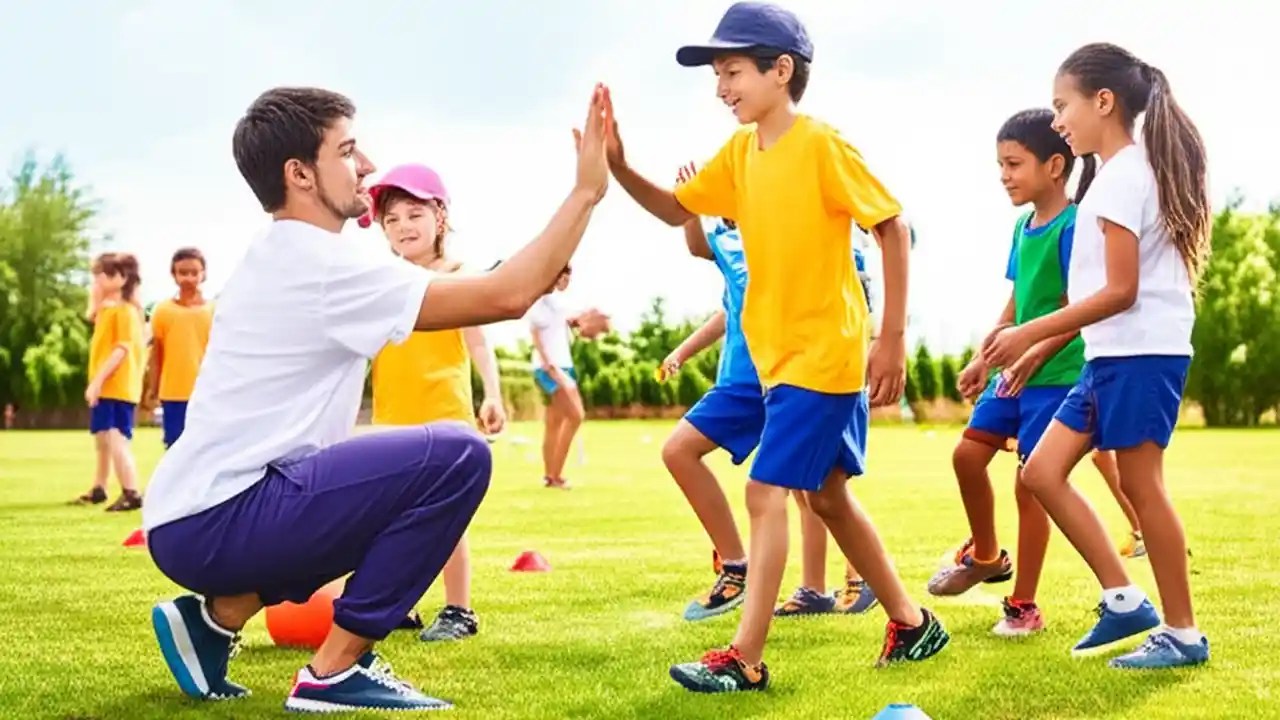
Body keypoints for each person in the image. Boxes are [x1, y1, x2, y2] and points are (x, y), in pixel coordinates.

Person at [143, 84, 609, 712]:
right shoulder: (323, 264)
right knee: (460, 456)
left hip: (196, 517)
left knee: (370, 491)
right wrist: (585, 194)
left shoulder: (282, 252)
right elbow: (506, 295)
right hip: (220, 518)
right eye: (349, 150)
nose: (367, 166)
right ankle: (336, 670)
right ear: (300, 174)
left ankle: (215, 621)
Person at [604, 2, 947, 692]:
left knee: (766, 490)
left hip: (825, 356)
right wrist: (618, 165)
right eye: (719, 75)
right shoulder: (738, 154)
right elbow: (680, 209)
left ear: (780, 70)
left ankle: (745, 658)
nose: (722, 87)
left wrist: (893, 339)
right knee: (827, 498)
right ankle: (912, 623)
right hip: (772, 360)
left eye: (732, 71)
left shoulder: (821, 144)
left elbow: (892, 227)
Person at [984, 43, 1211, 669]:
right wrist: (1040, 346)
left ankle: (1184, 634)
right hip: (1109, 356)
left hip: (1141, 354)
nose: (1057, 120)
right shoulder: (1116, 175)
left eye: (1064, 106)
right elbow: (1097, 295)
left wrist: (1028, 334)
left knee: (1143, 486)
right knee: (1040, 470)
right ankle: (1122, 599)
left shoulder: (1125, 176)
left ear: (1103, 102)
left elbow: (1120, 290)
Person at [659, 188, 878, 621]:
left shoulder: (800, 239)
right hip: (750, 382)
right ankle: (746, 568)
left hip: (793, 379)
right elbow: (726, 302)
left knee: (815, 489)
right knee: (807, 487)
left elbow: (851, 304)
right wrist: (683, 351)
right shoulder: (732, 243)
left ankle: (823, 586)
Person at [927, 108, 1094, 637]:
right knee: (967, 455)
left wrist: (1034, 355)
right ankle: (985, 556)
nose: (1004, 175)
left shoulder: (1075, 226)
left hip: (1057, 375)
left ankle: (1023, 605)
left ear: (1055, 165)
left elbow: (1080, 306)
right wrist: (986, 354)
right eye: (1000, 164)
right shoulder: (1024, 226)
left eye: (1014, 164)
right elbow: (1019, 297)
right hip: (1013, 373)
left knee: (1031, 485)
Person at [364, 162, 506, 643]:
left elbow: (479, 342)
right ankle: (397, 604)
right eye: (392, 219)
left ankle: (458, 610)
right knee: (388, 516)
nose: (403, 226)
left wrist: (493, 393)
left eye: (414, 214)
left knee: (446, 513)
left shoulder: (456, 276)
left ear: (440, 216)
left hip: (445, 409)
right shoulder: (382, 280)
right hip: (391, 414)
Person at [73, 252, 145, 511]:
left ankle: (131, 492)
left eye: (103, 275)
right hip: (112, 386)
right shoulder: (109, 310)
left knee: (115, 437)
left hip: (116, 386)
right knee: (103, 437)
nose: (97, 280)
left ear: (121, 278)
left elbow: (121, 349)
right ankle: (99, 488)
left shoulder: (124, 311)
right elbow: (92, 313)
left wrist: (97, 382)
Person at [144, 247, 213, 449]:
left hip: (206, 392)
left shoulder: (214, 311)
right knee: (175, 448)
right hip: (173, 392)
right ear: (174, 275)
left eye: (194, 273)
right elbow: (157, 354)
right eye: (183, 273)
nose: (189, 278)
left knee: (205, 448)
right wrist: (152, 388)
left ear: (204, 274)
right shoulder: (163, 310)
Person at [528, 266, 584, 489]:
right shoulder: (541, 299)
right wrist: (548, 363)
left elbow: (561, 323)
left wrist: (574, 324)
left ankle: (550, 476)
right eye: (562, 276)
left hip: (564, 365)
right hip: (550, 367)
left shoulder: (559, 301)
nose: (566, 280)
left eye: (569, 276)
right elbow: (535, 332)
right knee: (576, 416)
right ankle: (557, 476)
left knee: (554, 422)